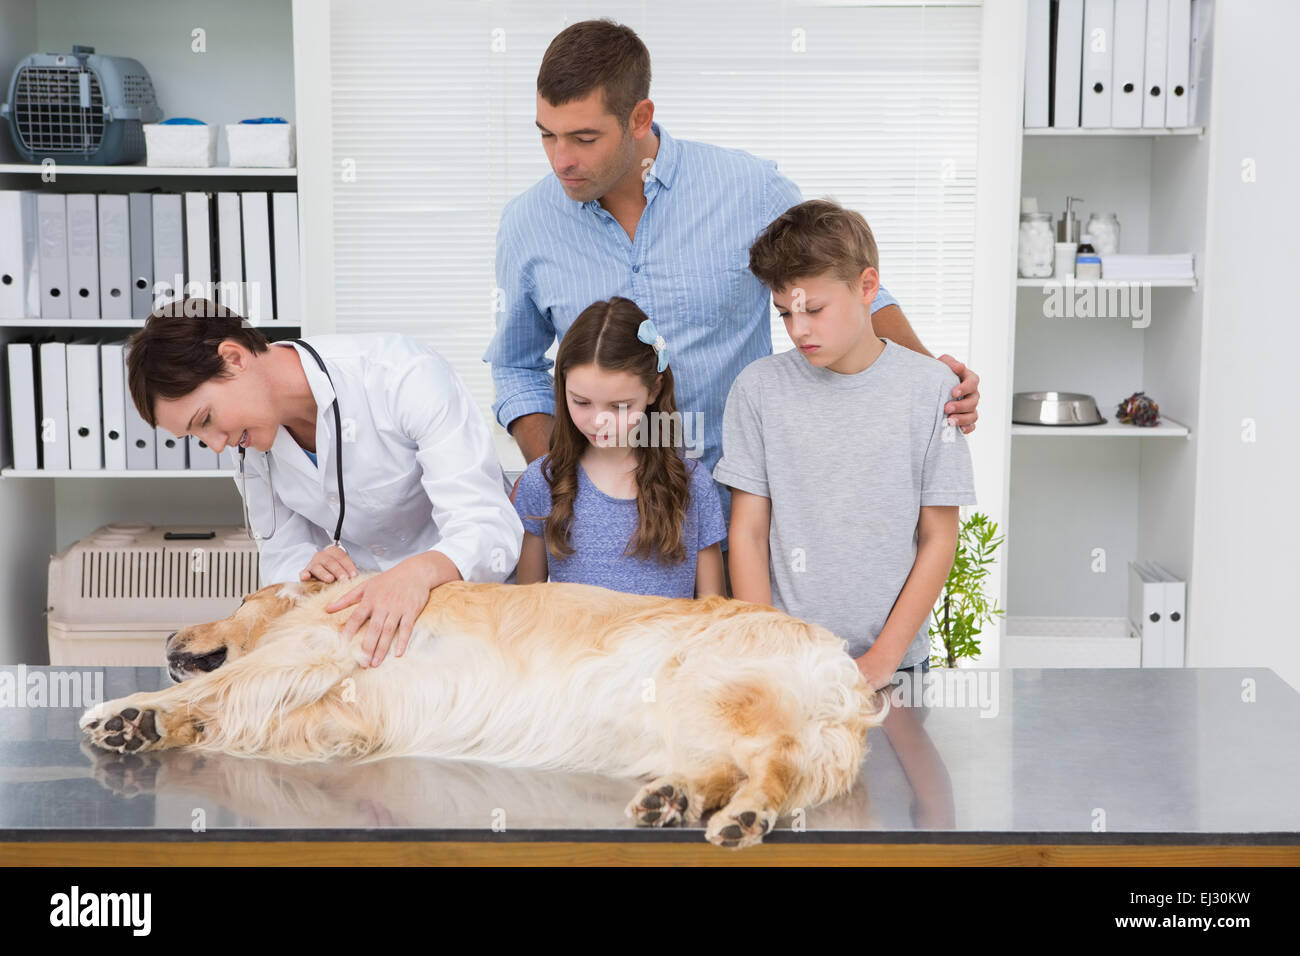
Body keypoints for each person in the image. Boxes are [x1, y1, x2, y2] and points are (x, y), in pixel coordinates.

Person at [483, 18, 982, 574]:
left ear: (639, 118)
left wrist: (929, 378)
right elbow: (515, 366)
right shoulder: (527, 224)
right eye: (547, 135)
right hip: (605, 548)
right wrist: (568, 478)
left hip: (746, 522)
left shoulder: (747, 189)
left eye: (584, 138)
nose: (560, 160)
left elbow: (846, 286)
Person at [128, 298, 523, 669]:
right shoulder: (248, 439)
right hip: (361, 633)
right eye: (196, 437)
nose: (215, 444)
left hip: (468, 619)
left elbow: (487, 524)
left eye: (206, 420)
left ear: (233, 359)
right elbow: (280, 554)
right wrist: (309, 570)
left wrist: (418, 573)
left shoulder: (402, 375)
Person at [715, 200, 977, 691]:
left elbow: (938, 537)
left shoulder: (932, 390)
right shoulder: (758, 390)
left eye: (814, 310)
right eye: (785, 314)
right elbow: (748, 533)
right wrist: (769, 648)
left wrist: (883, 659)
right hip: (786, 666)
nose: (798, 330)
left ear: (868, 288)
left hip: (897, 666)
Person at [512, 297, 726, 598]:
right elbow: (527, 609)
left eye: (620, 406)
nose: (600, 421)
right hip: (572, 646)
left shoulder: (692, 484)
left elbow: (713, 613)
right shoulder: (542, 482)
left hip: (672, 646)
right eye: (581, 402)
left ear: (653, 391)